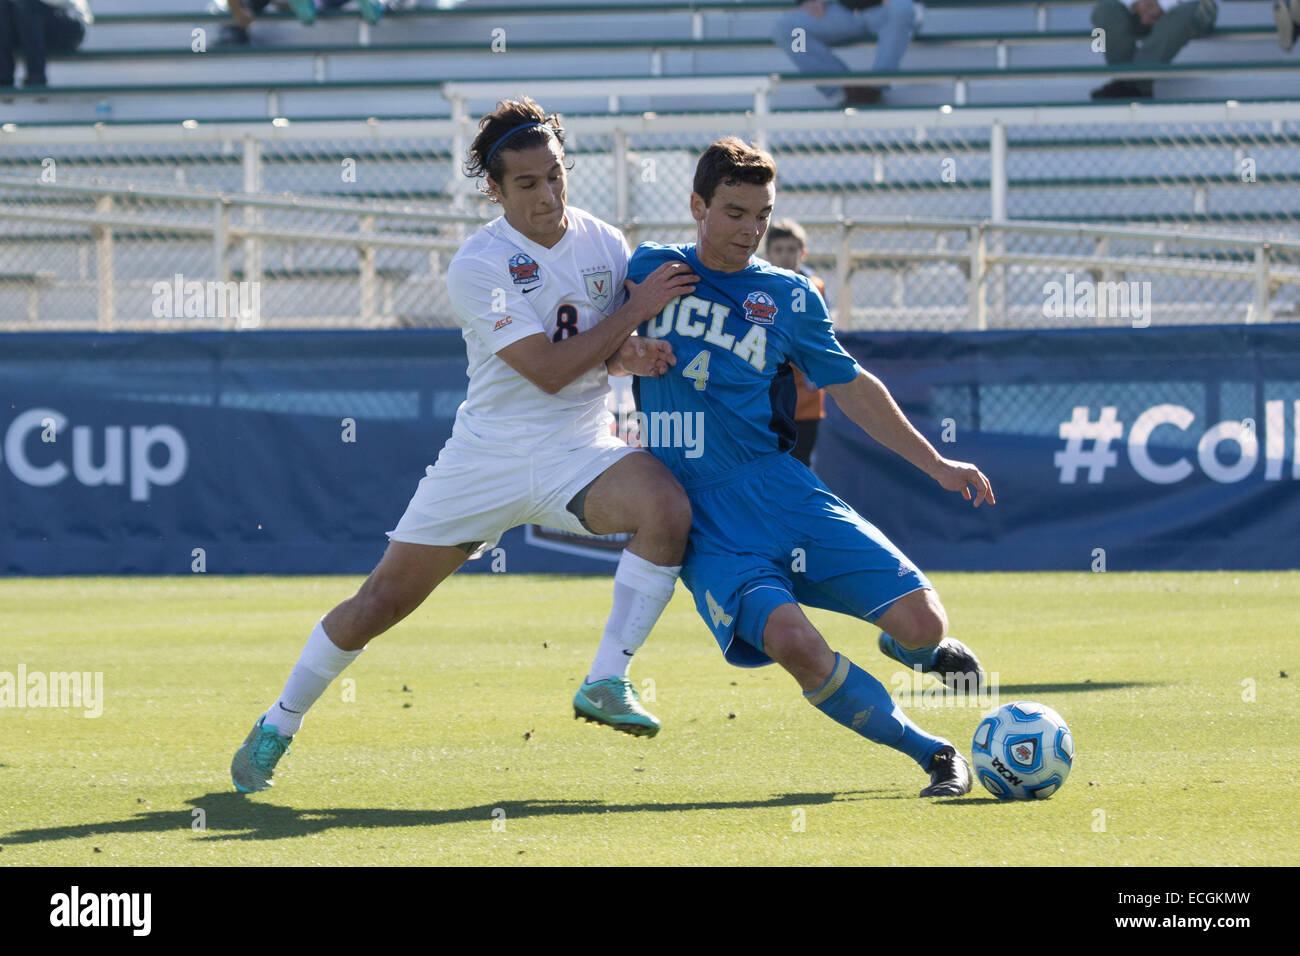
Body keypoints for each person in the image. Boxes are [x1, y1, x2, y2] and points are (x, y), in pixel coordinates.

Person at [231, 98, 698, 793]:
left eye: (556, 175)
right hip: (488, 457)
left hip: (580, 447)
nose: (547, 194)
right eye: (527, 183)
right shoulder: (478, 265)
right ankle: (280, 721)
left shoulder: (604, 241)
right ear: (494, 189)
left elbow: (594, 351)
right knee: (380, 602)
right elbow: (544, 368)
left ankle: (606, 679)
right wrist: (632, 315)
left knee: (668, 510)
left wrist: (635, 351)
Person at [628, 137, 995, 797]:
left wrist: (936, 463)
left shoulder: (791, 297)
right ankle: (934, 753)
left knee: (924, 626)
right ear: (696, 206)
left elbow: (850, 385)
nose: (751, 230)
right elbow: (578, 336)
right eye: (735, 212)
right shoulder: (650, 270)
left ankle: (911, 653)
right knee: (795, 643)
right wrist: (624, 351)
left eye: (762, 214)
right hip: (702, 514)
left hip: (782, 487)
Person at [764, 219, 827, 470]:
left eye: (792, 250)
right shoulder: (759, 285)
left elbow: (821, 335)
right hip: (767, 392)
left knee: (800, 464)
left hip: (806, 397)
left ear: (803, 253)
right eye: (779, 250)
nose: (785, 256)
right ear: (768, 254)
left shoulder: (814, 288)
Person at [771, 0, 918, 107]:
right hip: (844, 11)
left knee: (902, 8)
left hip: (890, 9)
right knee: (788, 28)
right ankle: (845, 88)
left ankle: (876, 87)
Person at [1089, 0, 1218, 99]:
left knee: (1186, 13)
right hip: (1139, 9)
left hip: (1189, 6)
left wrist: (1162, 5)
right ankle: (1124, 79)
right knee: (1107, 10)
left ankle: (1136, 84)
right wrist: (1136, 3)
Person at [0, 0, 90, 88]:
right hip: (28, 26)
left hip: (69, 24)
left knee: (28, 5)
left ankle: (36, 79)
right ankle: (4, 79)